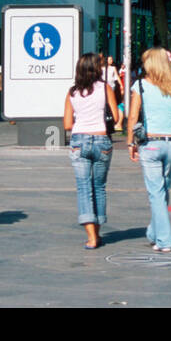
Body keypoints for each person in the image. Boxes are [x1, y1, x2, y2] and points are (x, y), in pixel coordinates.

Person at [128, 47, 171, 252]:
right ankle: (153, 233)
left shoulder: (140, 86)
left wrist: (130, 143)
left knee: (156, 192)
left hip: (150, 143)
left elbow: (133, 116)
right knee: (163, 190)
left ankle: (165, 240)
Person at [64, 52, 119, 249]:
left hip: (79, 141)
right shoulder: (105, 88)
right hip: (102, 140)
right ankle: (98, 231)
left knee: (84, 188)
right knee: (99, 187)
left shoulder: (72, 92)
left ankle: (91, 237)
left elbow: (67, 124)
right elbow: (116, 116)